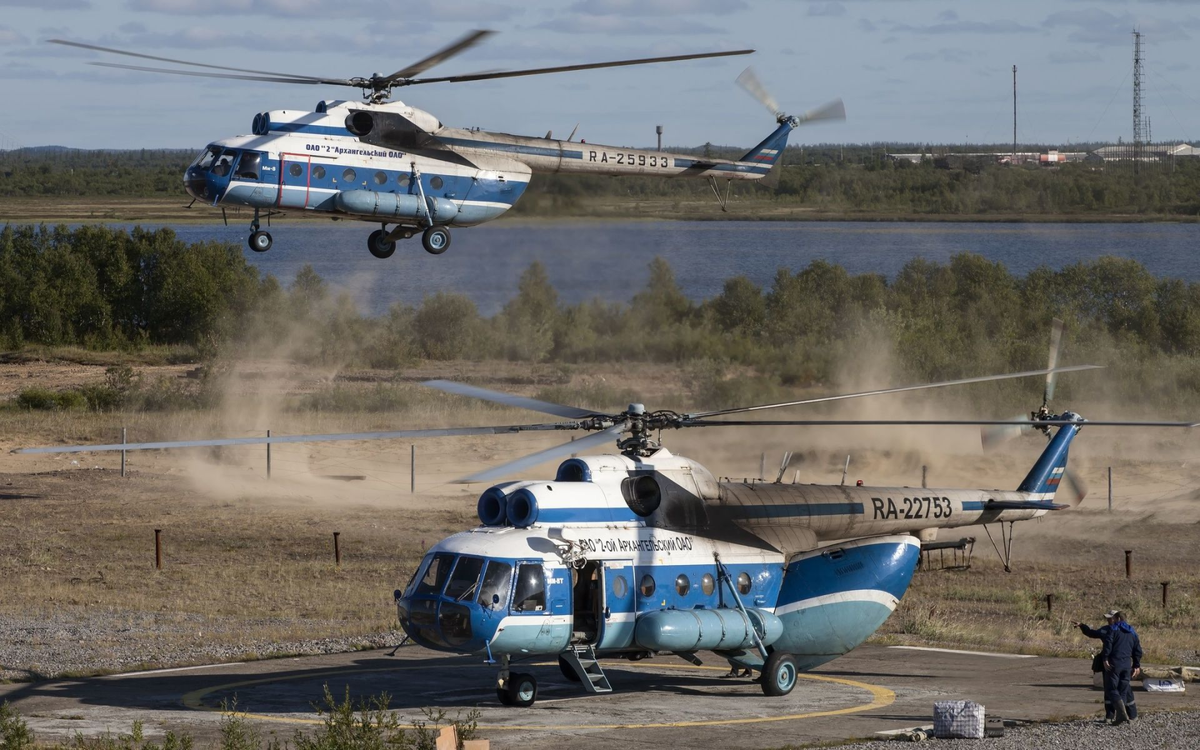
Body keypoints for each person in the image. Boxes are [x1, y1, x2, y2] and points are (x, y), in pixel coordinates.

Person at [1074, 609, 1142, 724]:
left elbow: (1109, 646)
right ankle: (1112, 716)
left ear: (1117, 618)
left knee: (1115, 690)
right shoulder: (1128, 631)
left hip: (1113, 663)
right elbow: (1092, 633)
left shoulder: (1113, 631)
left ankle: (1130, 715)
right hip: (1122, 664)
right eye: (1107, 618)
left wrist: (1105, 658)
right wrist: (1082, 626)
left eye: (1110, 618)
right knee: (1117, 690)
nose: (1108, 620)